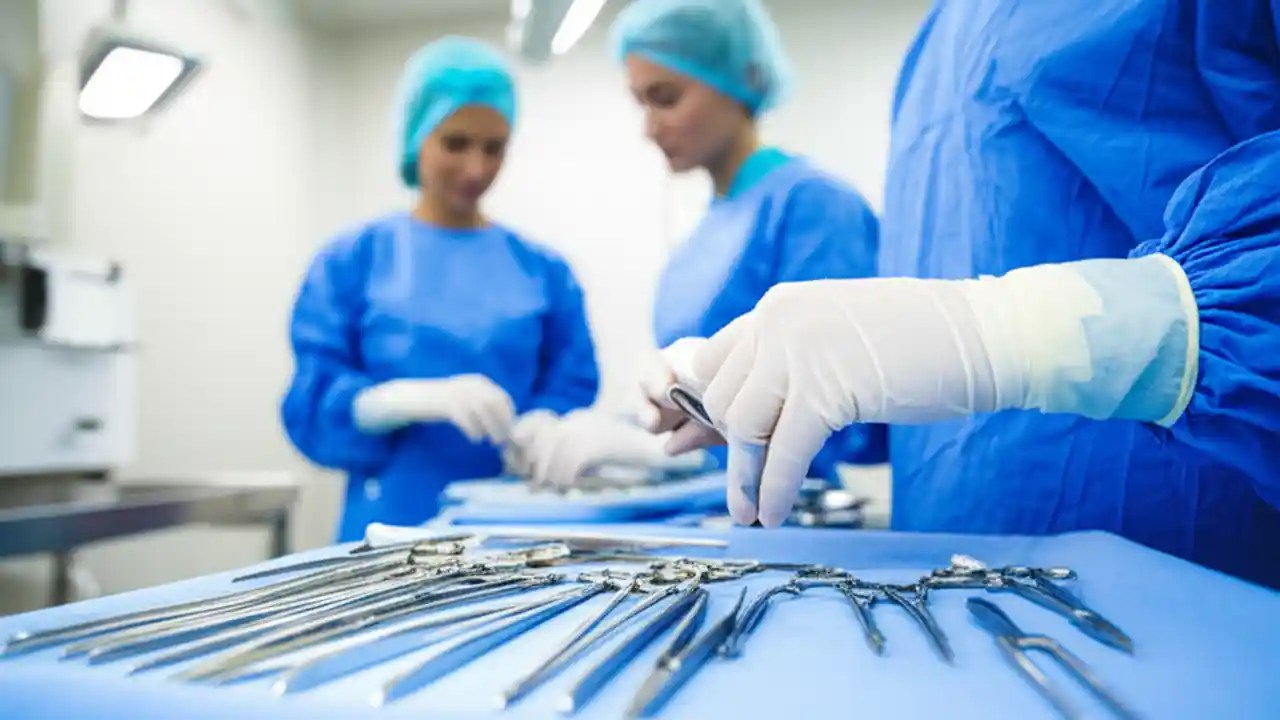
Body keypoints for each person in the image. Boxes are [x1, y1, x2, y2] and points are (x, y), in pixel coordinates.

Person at [644, 0, 1280, 587]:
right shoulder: (939, 39)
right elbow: (893, 393)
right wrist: (760, 394)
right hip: (946, 566)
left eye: (664, 96)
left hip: (1187, 566)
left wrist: (1032, 337)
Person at [512, 0, 884, 494]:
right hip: (701, 514)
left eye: (665, 98)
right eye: (640, 102)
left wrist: (680, 456)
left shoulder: (813, 205)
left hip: (786, 514)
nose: (648, 127)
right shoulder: (707, 230)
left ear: (743, 78)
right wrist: (630, 431)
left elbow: (843, 410)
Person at [282, 37, 599, 541]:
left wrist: (547, 424)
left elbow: (572, 384)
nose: (476, 168)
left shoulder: (544, 270)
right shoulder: (353, 260)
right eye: (456, 144)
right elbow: (313, 404)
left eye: (494, 148)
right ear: (416, 137)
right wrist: (391, 401)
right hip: (388, 532)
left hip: (522, 534)